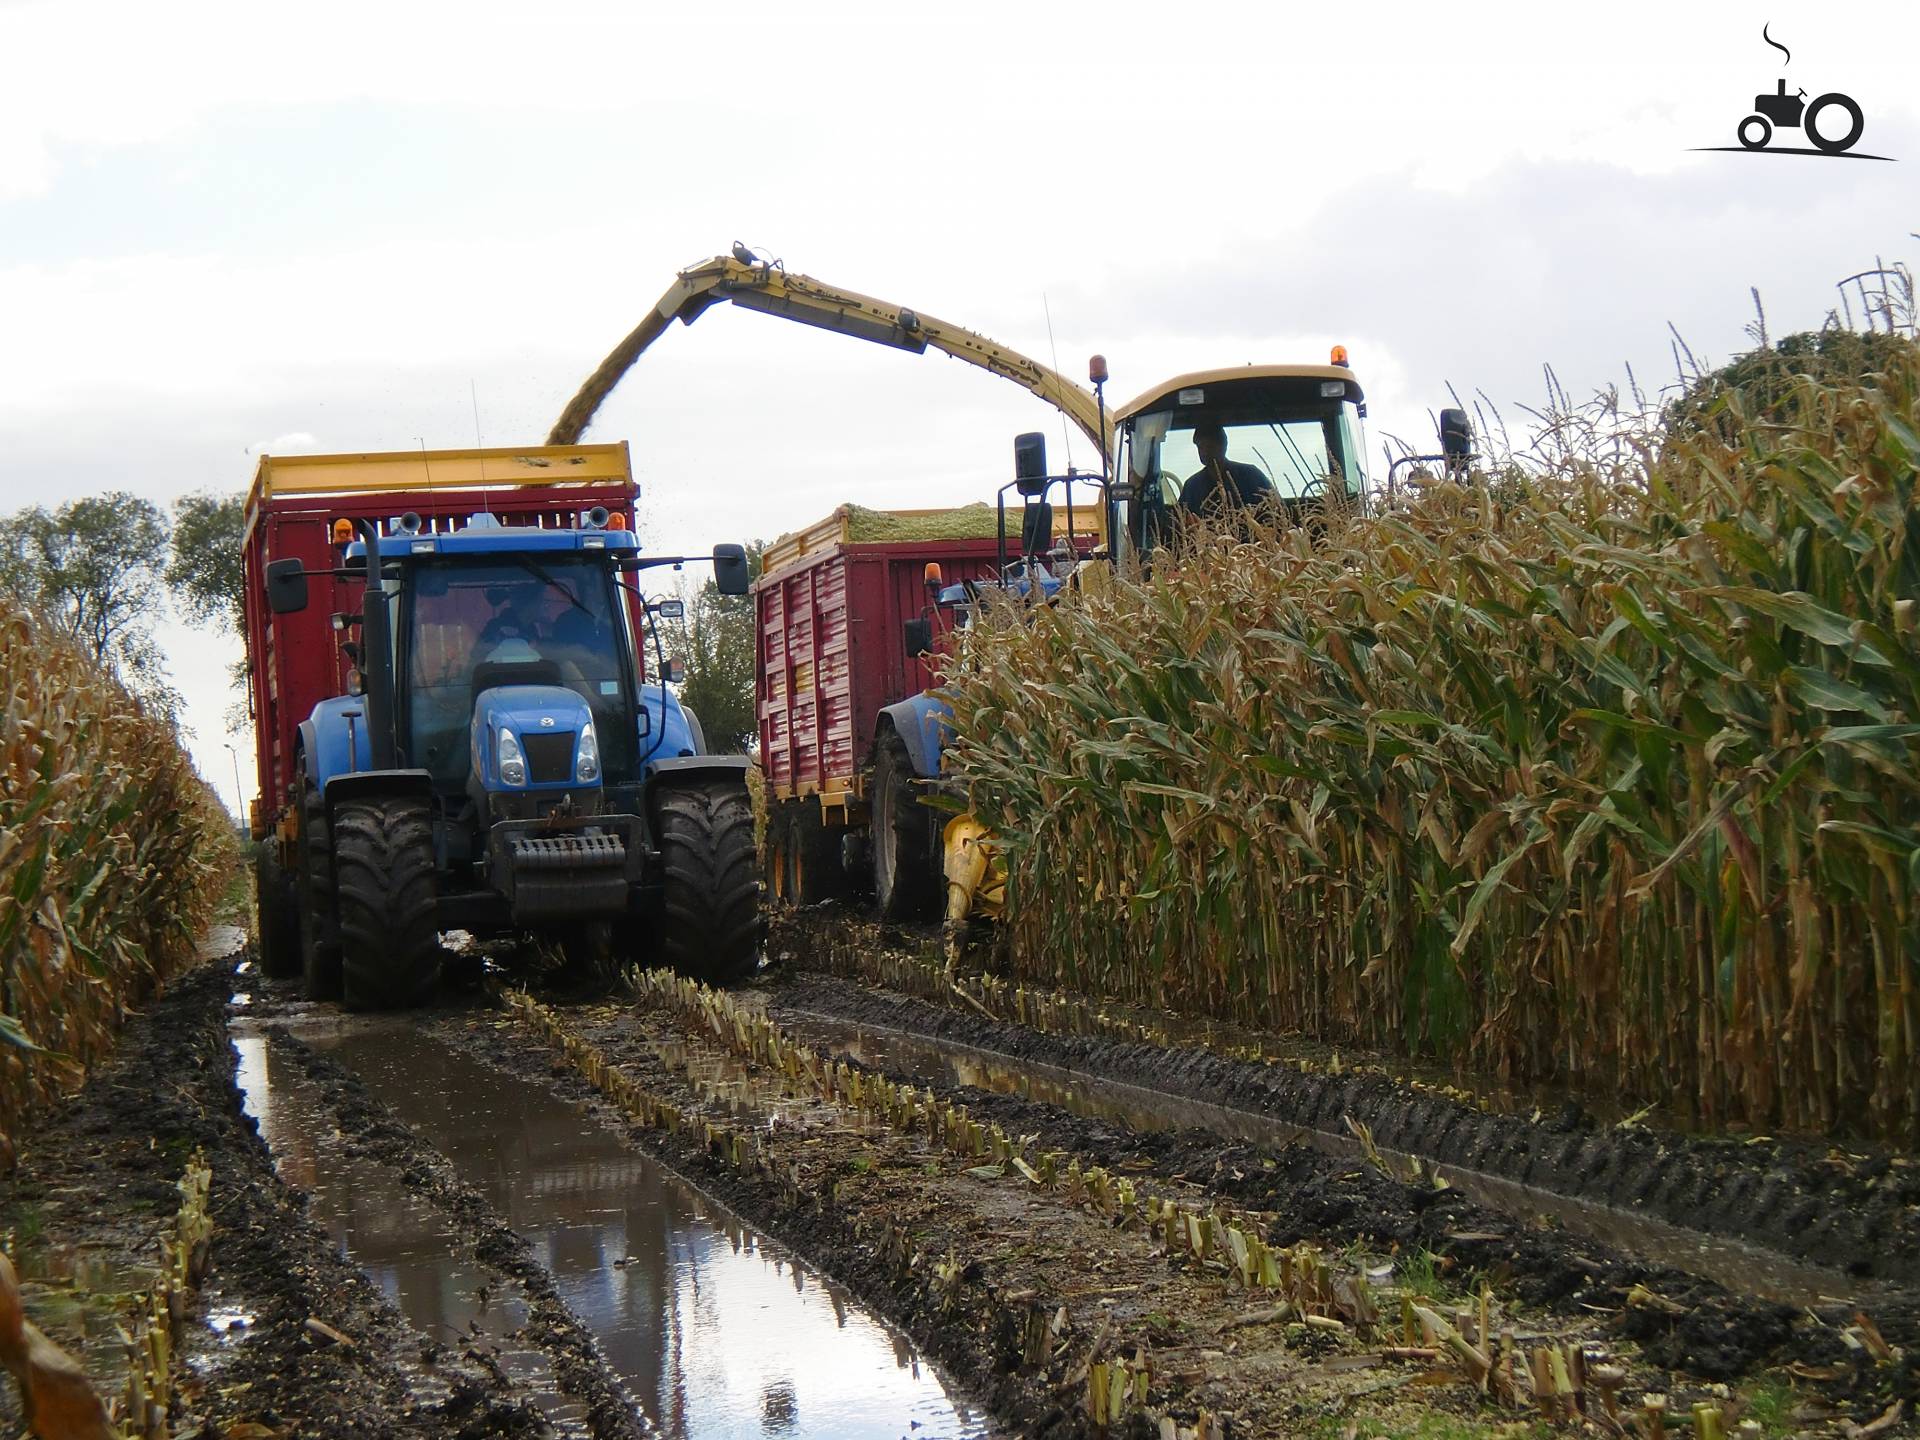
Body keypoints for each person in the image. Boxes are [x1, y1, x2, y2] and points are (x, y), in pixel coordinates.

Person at [1179, 422, 1273, 518]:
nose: (1204, 452)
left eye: (1210, 446)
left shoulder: (1251, 476)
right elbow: (1181, 524)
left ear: (1223, 445)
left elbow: (1274, 512)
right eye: (1200, 446)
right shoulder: (1191, 486)